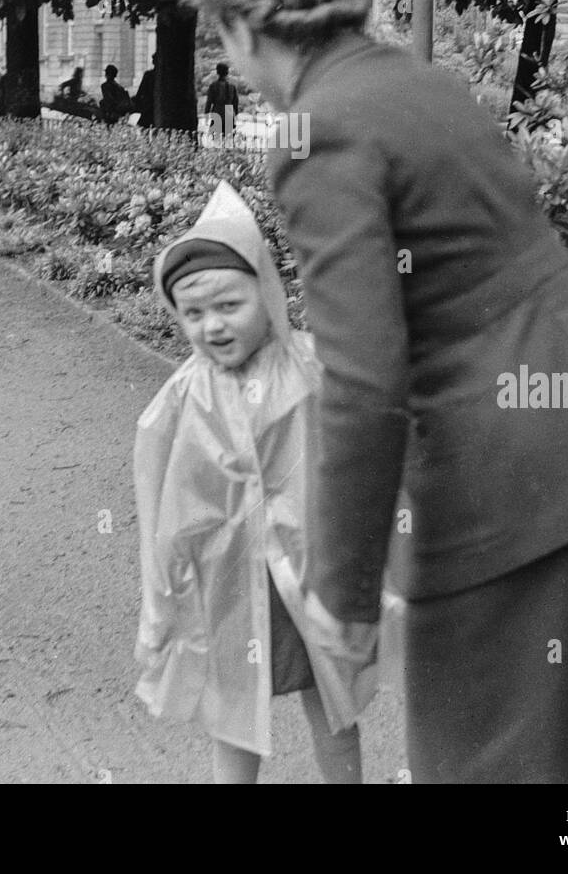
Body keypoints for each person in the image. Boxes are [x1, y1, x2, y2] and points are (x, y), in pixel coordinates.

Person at [182, 0, 568, 785]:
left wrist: (342, 597)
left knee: (495, 759)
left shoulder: (316, 133)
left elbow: (362, 379)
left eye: (222, 40)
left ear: (243, 28)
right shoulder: (418, 83)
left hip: (509, 488)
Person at [134, 180, 375, 784]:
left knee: (334, 701)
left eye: (228, 305)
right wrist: (161, 595)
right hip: (229, 579)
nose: (211, 326)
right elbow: (159, 504)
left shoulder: (315, 370)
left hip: (311, 571)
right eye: (193, 312)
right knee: (232, 711)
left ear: (265, 293)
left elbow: (369, 451)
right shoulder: (179, 401)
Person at [204, 62, 240, 141]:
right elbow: (236, 103)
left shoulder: (213, 86)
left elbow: (209, 102)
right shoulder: (232, 87)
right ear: (227, 72)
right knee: (228, 140)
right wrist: (236, 115)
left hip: (217, 111)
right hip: (229, 113)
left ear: (217, 72)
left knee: (216, 140)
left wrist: (206, 115)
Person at [131, 53, 157, 129]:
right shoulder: (161, 76)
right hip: (153, 105)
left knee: (145, 126)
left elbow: (141, 91)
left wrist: (136, 103)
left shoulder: (148, 75)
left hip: (148, 105)